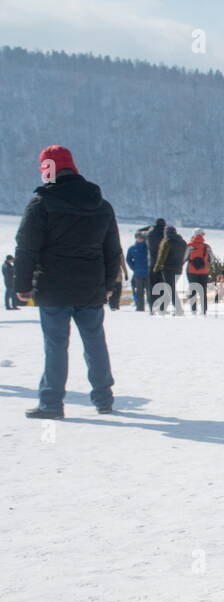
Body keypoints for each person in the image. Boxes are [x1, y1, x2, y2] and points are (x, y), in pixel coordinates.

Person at [14, 145, 120, 418]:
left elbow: (26, 248)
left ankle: (51, 404)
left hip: (53, 287)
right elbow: (112, 250)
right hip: (91, 286)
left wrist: (22, 286)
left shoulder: (41, 203)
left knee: (56, 345)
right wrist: (109, 284)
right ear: (72, 167)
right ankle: (104, 399)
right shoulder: (101, 204)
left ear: (48, 169)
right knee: (95, 342)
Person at [153, 224, 185, 314]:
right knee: (170, 289)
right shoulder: (182, 242)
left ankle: (179, 309)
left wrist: (156, 267)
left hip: (168, 269)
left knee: (170, 289)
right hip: (178, 269)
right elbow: (185, 256)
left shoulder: (167, 242)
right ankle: (162, 309)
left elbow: (162, 256)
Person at [185, 229, 214, 314]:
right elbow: (212, 259)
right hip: (204, 272)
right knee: (203, 291)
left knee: (193, 290)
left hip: (191, 271)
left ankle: (193, 310)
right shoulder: (207, 246)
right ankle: (204, 310)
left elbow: (184, 258)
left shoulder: (190, 245)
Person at [125, 229, 149, 311]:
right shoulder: (132, 248)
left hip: (148, 273)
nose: (139, 239)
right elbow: (128, 259)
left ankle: (152, 307)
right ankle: (140, 307)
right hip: (138, 273)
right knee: (139, 291)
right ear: (135, 238)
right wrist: (133, 268)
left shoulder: (148, 248)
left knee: (149, 291)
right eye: (138, 237)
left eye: (141, 238)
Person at [146, 217, 165, 314]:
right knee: (162, 287)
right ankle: (161, 308)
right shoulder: (165, 236)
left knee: (151, 287)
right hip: (162, 266)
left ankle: (151, 308)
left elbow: (141, 231)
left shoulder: (150, 235)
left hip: (152, 264)